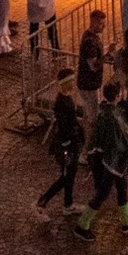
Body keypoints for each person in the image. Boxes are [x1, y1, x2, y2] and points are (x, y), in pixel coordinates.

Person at [74, 84, 128, 239]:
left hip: (110, 161)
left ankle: (127, 221)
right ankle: (82, 224)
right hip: (111, 162)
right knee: (102, 193)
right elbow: (119, 142)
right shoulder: (112, 118)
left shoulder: (105, 112)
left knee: (122, 186)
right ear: (117, 96)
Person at [36, 74, 85, 216]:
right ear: (66, 83)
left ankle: (68, 204)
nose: (74, 83)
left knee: (70, 175)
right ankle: (43, 201)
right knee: (65, 177)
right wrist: (68, 144)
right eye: (72, 81)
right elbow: (64, 127)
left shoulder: (67, 98)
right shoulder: (61, 103)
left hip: (72, 144)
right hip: (67, 146)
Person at [77, 9, 109, 125]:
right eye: (101, 23)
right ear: (93, 22)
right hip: (89, 84)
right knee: (92, 117)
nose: (103, 26)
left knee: (88, 113)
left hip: (86, 83)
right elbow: (94, 67)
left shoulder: (89, 35)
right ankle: (90, 140)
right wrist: (107, 55)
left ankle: (87, 137)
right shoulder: (90, 41)